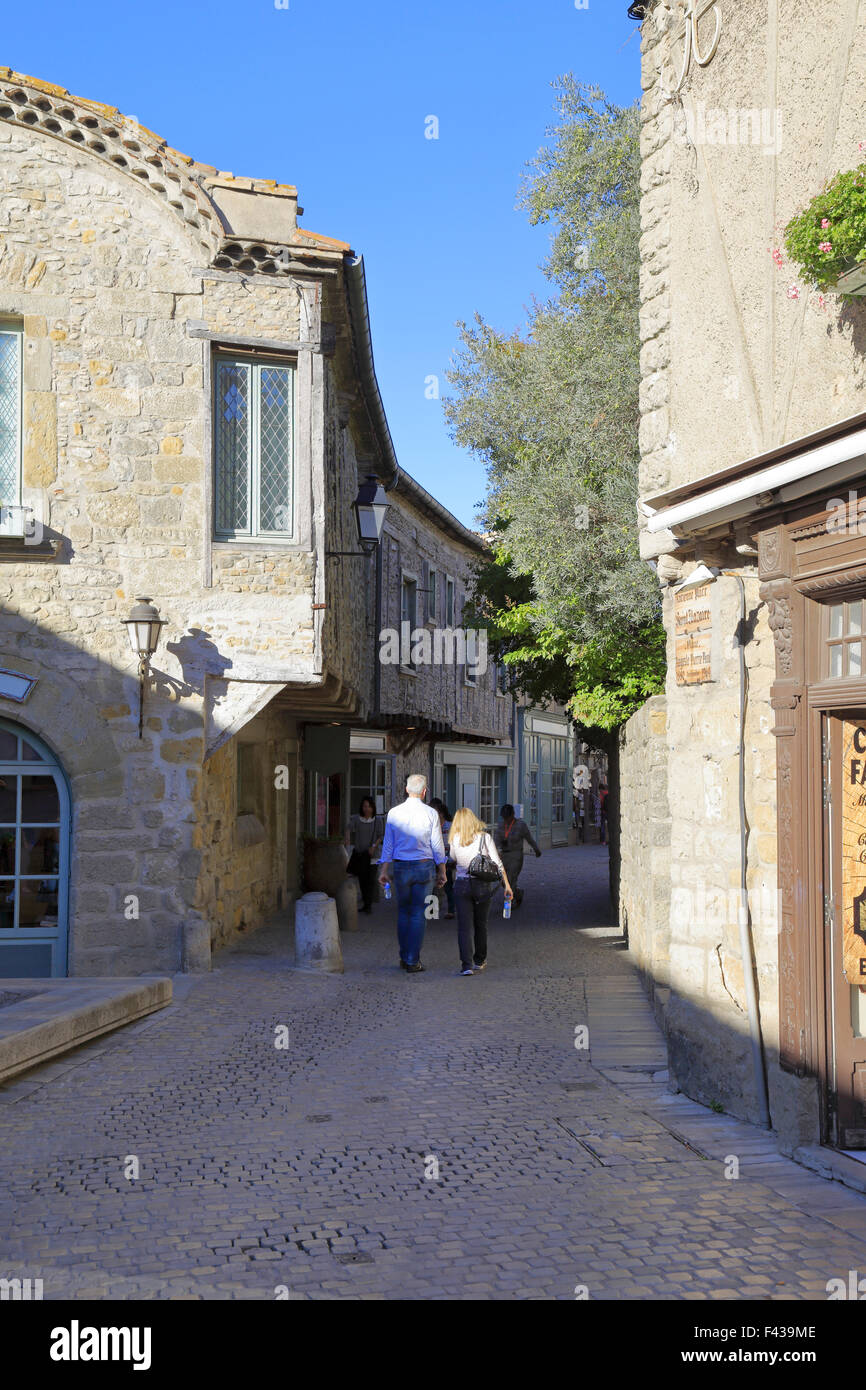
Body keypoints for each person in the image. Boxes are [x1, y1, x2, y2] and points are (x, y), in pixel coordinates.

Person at [378, 774, 446, 973]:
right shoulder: (431, 814)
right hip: (424, 867)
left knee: (404, 912)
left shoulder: (394, 813)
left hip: (401, 867)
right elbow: (437, 844)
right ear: (424, 792)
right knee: (418, 914)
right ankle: (412, 960)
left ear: (407, 790)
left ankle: (404, 955)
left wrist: (384, 870)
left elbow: (388, 844)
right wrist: (442, 870)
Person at [448, 807, 513, 975]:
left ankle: (466, 965)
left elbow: (452, 860)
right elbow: (498, 864)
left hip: (462, 885)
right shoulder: (485, 838)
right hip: (482, 886)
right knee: (481, 924)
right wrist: (507, 885)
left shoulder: (454, 839)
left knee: (464, 927)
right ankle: (480, 960)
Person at [493, 803, 541, 909]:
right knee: (503, 880)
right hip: (504, 856)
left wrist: (536, 850)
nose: (506, 819)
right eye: (504, 817)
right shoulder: (501, 825)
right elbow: (496, 841)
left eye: (507, 817)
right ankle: (518, 893)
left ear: (513, 814)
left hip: (516, 855)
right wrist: (495, 852)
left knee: (511, 878)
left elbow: (529, 838)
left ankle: (509, 904)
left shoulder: (521, 825)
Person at [345, 796, 384, 914]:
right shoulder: (357, 819)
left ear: (373, 807)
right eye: (364, 806)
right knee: (362, 879)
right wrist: (347, 839)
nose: (366, 809)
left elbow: (381, 835)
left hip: (373, 855)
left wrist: (374, 846)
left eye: (369, 806)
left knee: (370, 879)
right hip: (360, 854)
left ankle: (368, 905)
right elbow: (348, 828)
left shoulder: (377, 820)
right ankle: (366, 903)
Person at [430, 798, 455, 919]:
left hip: (447, 861)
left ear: (441, 813)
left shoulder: (450, 826)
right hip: (433, 860)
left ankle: (451, 909)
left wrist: (452, 859)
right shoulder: (431, 827)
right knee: (433, 886)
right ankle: (433, 910)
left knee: (448, 886)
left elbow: (454, 844)